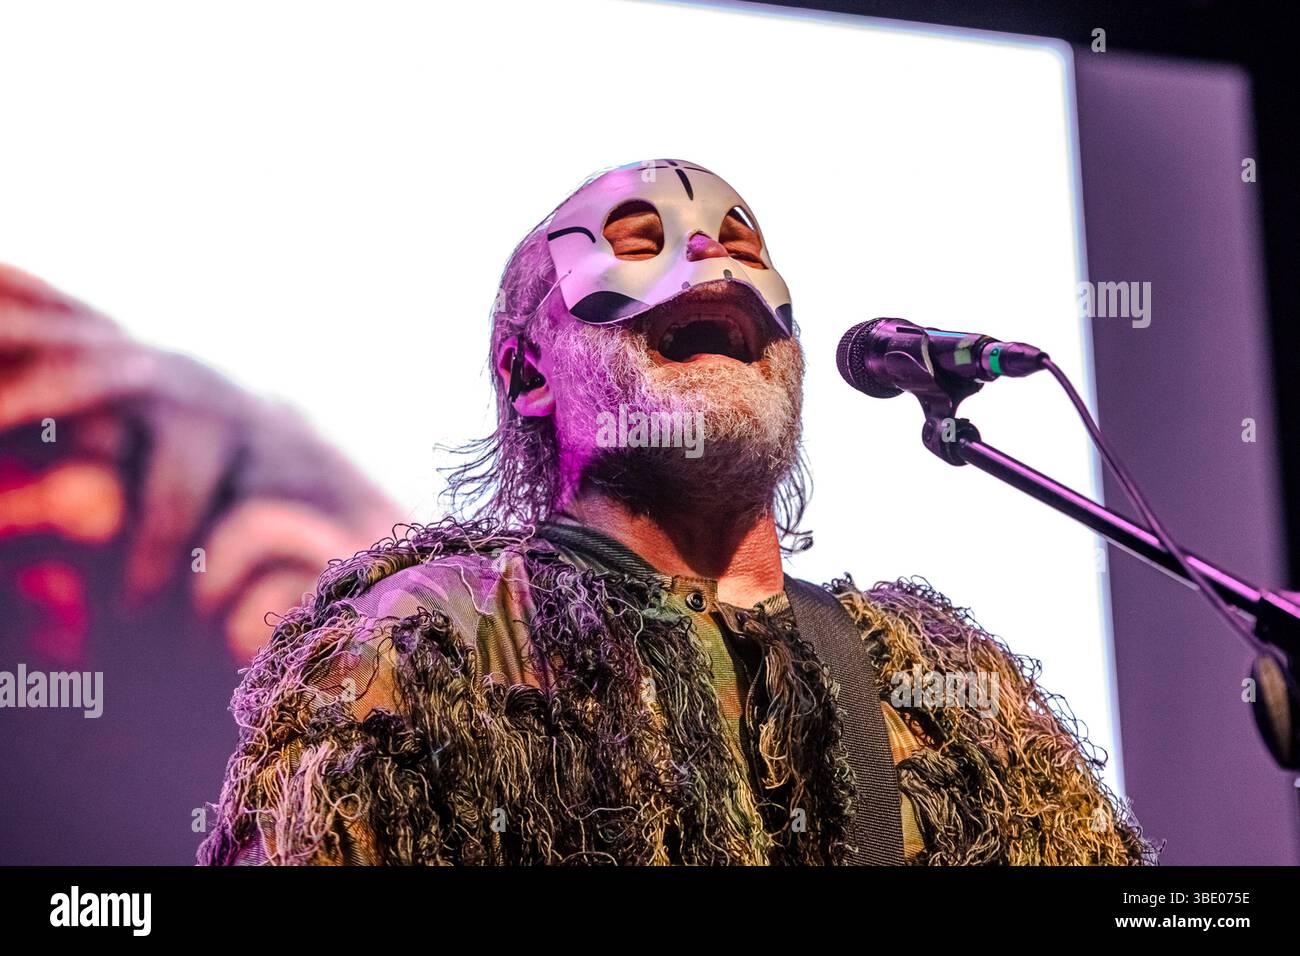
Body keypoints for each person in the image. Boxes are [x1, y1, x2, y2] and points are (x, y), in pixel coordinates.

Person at [199, 159, 1153, 865]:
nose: (709, 251)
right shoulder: (433, 643)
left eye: (741, 244)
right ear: (529, 371)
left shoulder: (939, 689)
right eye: (639, 241)